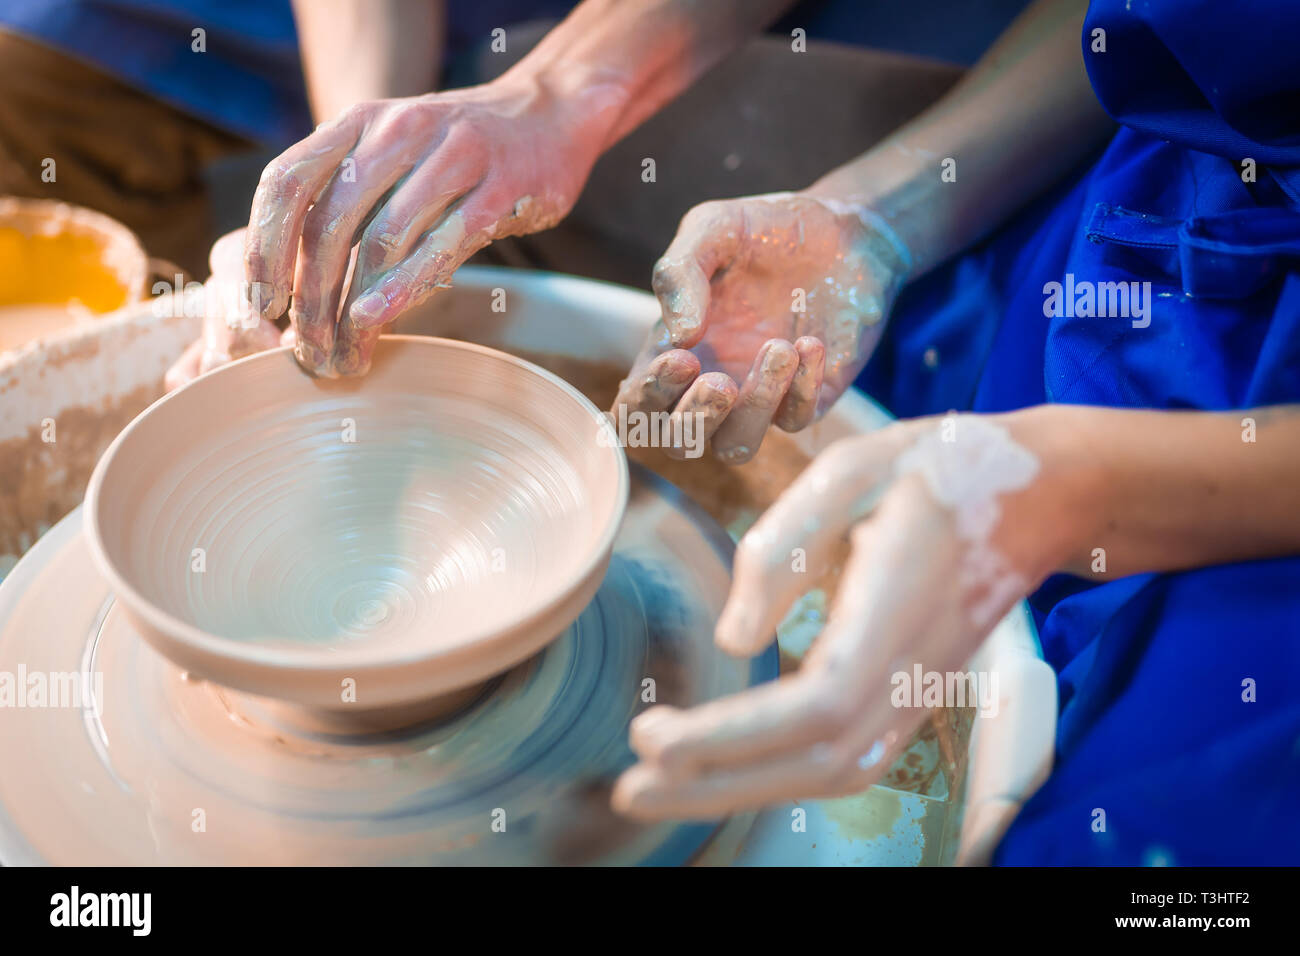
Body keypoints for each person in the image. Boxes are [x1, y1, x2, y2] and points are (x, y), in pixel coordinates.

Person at [608, 0, 1300, 865]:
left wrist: (1071, 484)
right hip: (1179, 181)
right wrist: (876, 225)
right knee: (867, 363)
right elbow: (1143, 24)